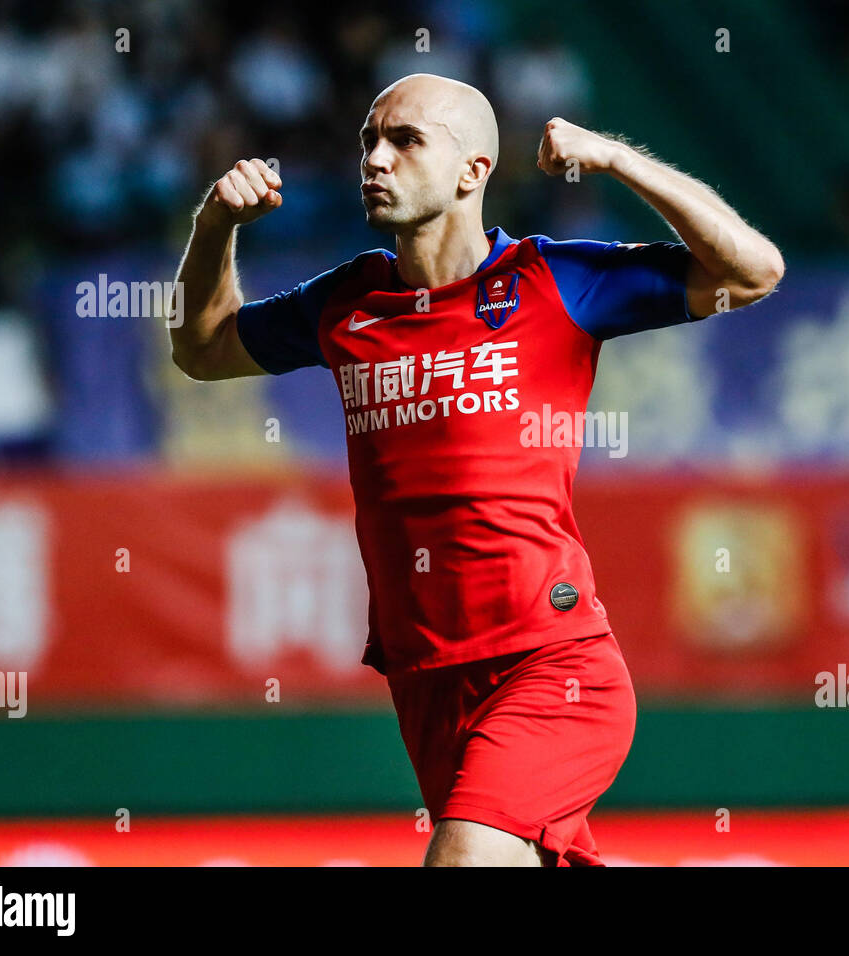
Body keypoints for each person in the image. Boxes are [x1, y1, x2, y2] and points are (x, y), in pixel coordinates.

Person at [170, 73, 782, 865]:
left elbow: (753, 272)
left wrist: (616, 161)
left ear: (473, 172)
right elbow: (202, 350)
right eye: (368, 141)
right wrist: (216, 223)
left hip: (553, 664)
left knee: (462, 858)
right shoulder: (344, 305)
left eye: (405, 141)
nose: (376, 161)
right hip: (426, 674)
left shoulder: (555, 282)